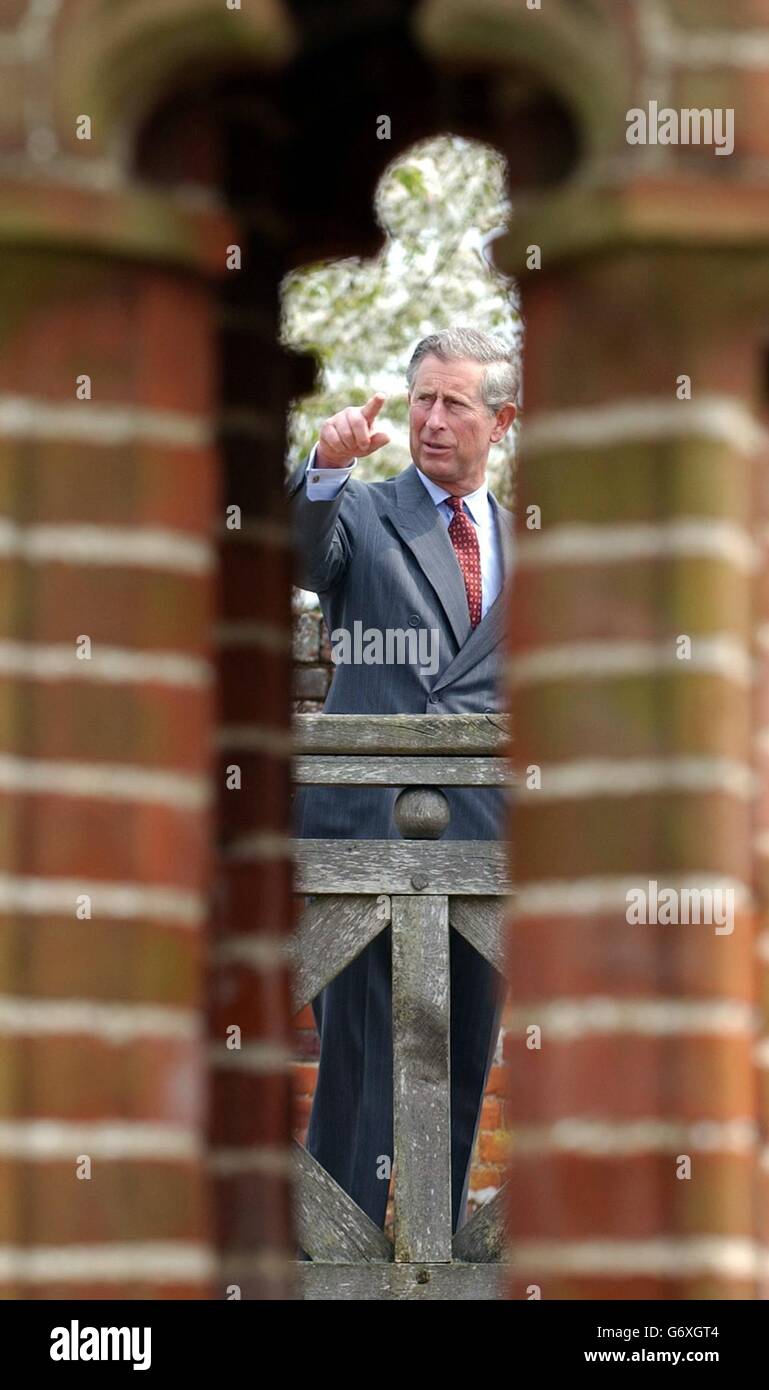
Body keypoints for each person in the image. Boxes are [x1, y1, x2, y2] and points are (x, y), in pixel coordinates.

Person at [288, 326, 518, 1244]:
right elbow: (304, 559)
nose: (430, 419)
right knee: (356, 1075)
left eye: (454, 402)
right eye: (421, 398)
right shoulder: (368, 514)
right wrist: (323, 466)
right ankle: (334, 1268)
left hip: (485, 848)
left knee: (462, 1071)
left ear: (501, 419)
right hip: (360, 838)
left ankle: (440, 1267)